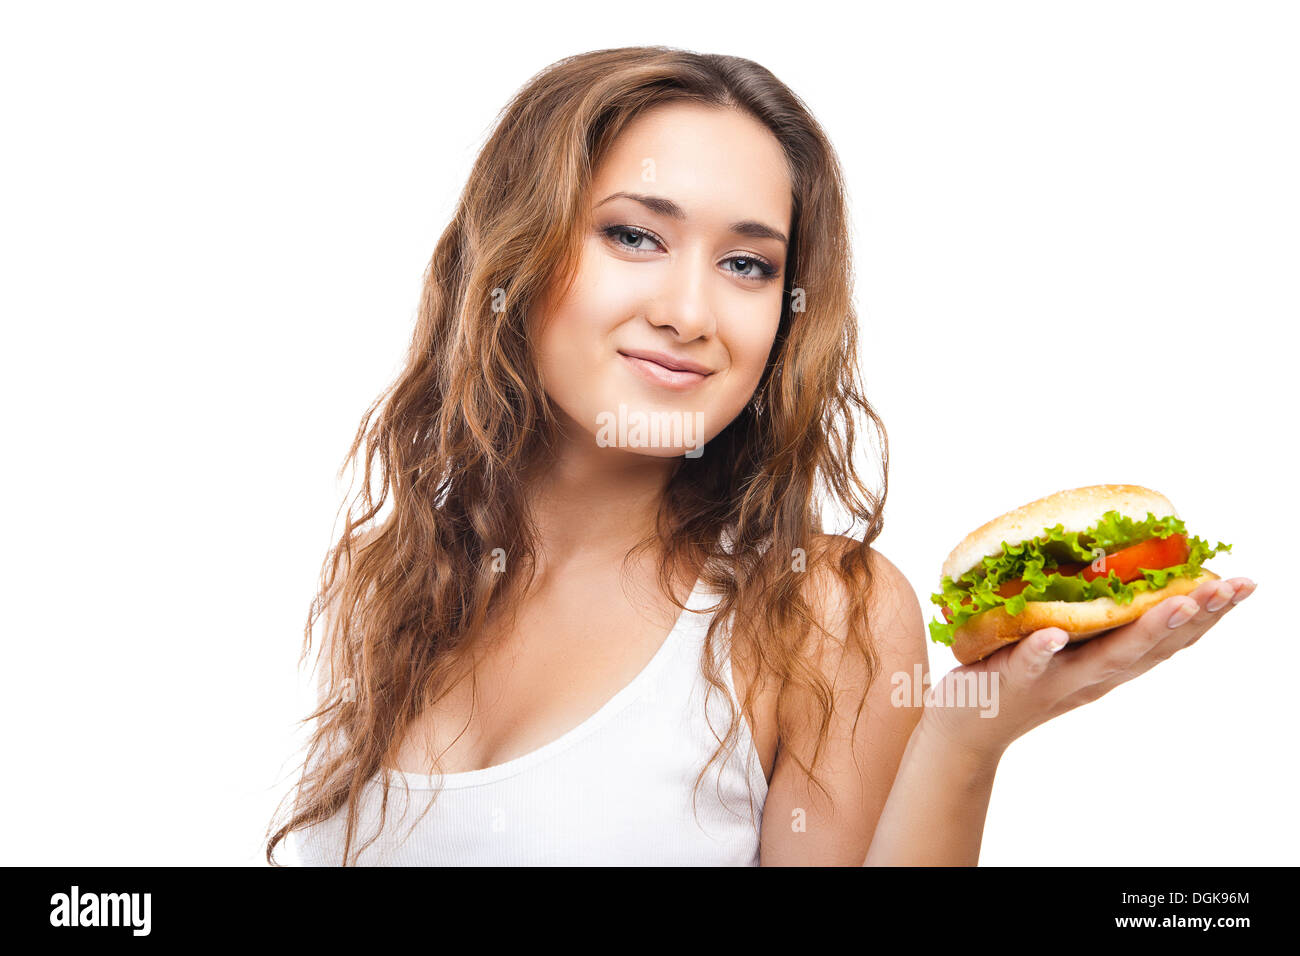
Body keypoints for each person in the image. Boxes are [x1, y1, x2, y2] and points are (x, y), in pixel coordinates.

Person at [264, 46, 1255, 866]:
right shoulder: (396, 581)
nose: (688, 313)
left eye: (746, 263)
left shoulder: (820, 612)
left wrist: (962, 739)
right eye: (632, 235)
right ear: (512, 254)